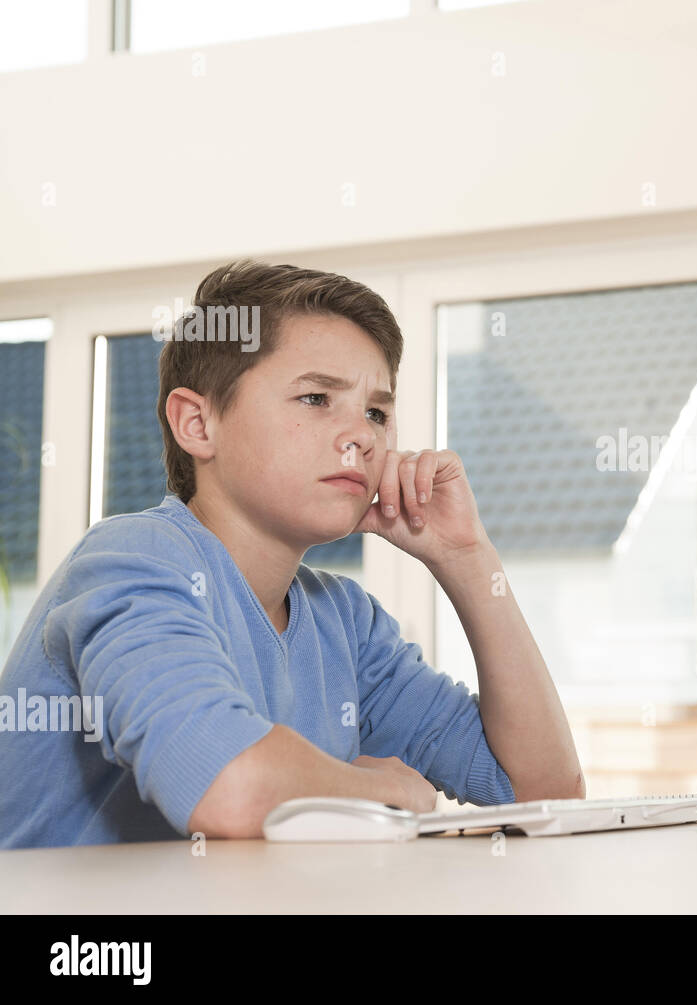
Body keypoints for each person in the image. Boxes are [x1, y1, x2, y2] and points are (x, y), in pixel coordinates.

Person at [0, 260, 583, 848]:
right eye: (315, 398)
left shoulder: (344, 623)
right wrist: (378, 789)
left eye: (377, 412)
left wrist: (465, 556)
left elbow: (546, 789)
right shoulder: (133, 559)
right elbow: (228, 786)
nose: (361, 434)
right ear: (197, 424)